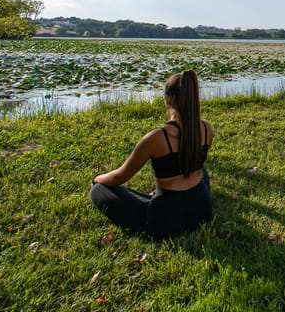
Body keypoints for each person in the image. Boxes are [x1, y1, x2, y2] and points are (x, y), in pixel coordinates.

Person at [90, 70, 213, 240]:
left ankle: (153, 197)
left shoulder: (156, 138)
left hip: (166, 222)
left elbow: (119, 177)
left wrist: (98, 179)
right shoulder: (206, 129)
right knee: (200, 166)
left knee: (97, 191)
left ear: (168, 99)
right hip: (202, 212)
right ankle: (157, 195)